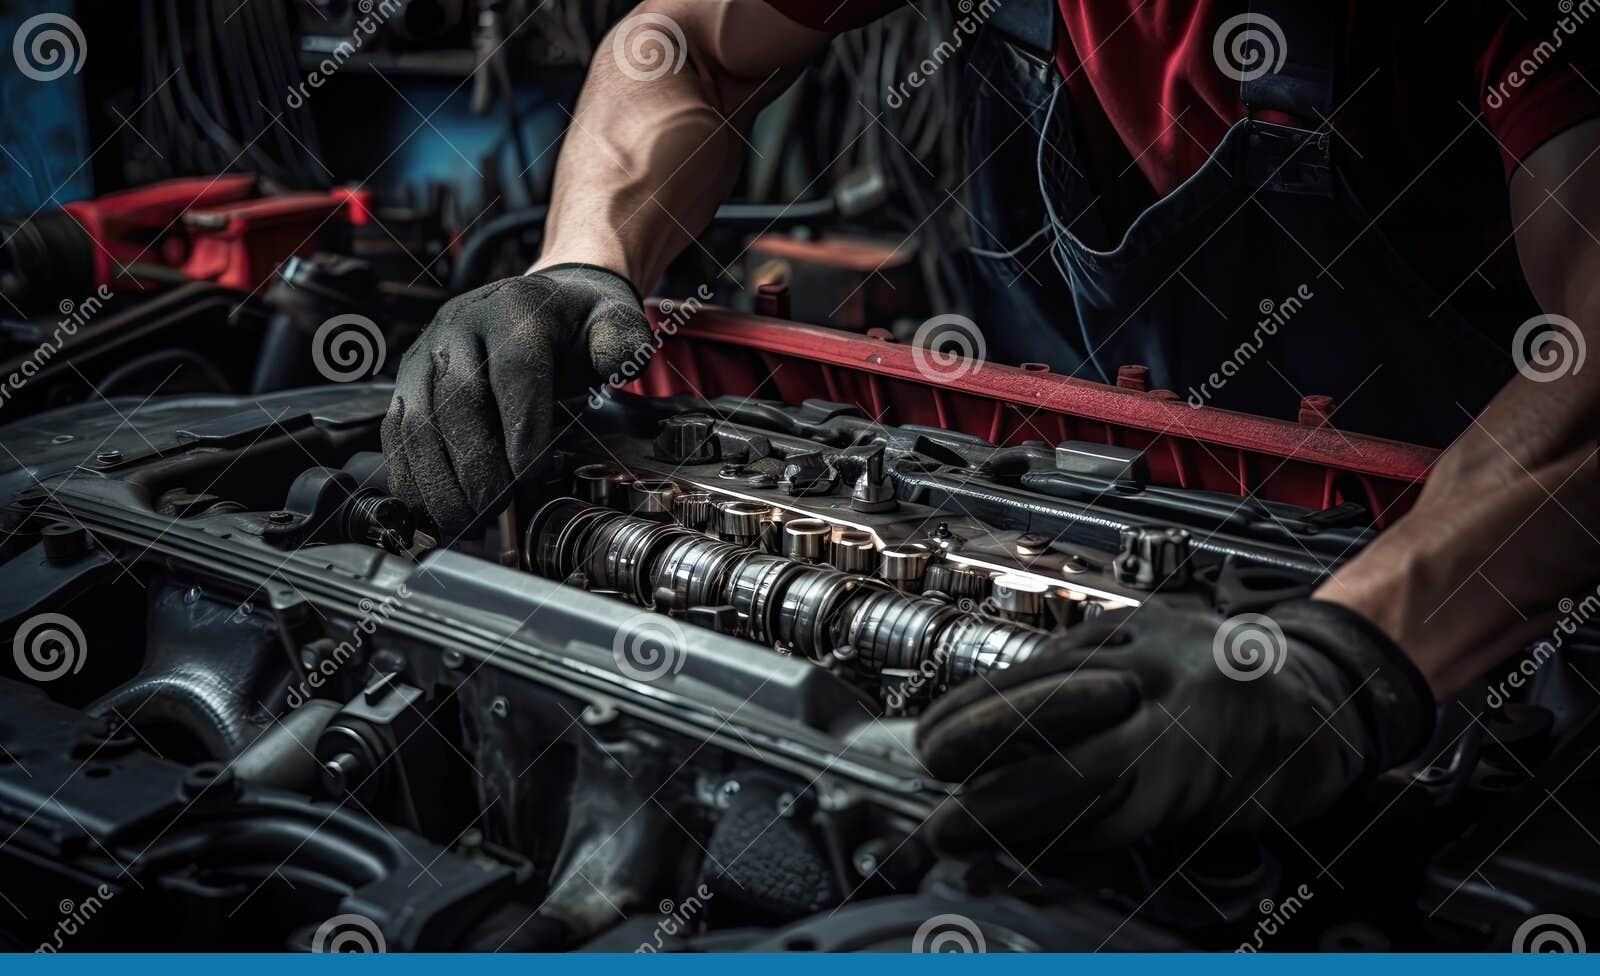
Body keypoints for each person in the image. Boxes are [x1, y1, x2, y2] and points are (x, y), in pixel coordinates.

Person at [382, 1, 1600, 859]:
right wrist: (580, 269)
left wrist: (1353, 656)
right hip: (1067, 503)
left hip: (1472, 608)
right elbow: (683, 42)